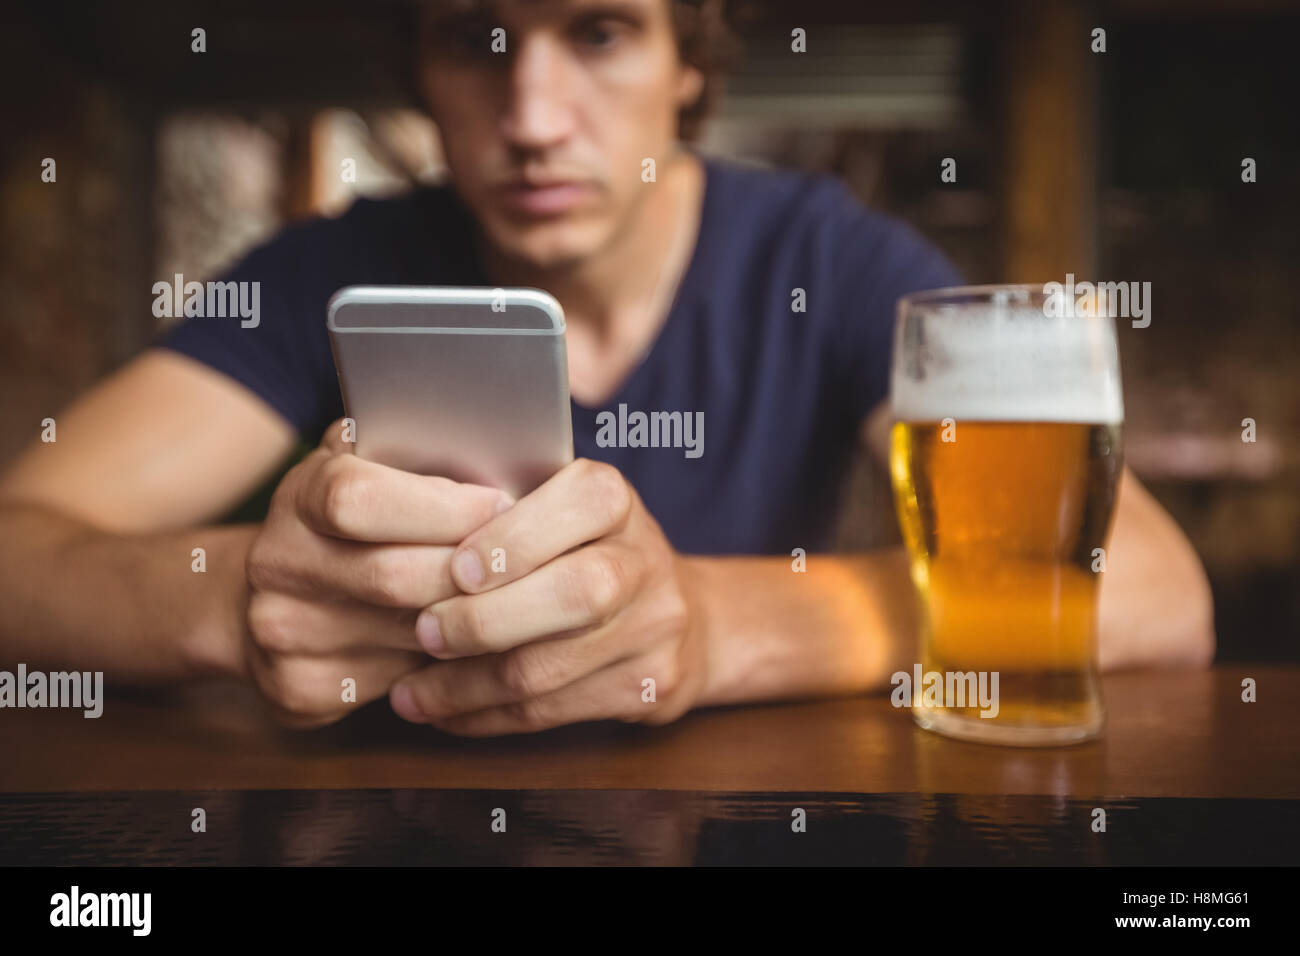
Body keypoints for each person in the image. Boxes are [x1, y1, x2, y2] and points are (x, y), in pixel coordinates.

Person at [0, 0, 1214, 735]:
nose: (531, 113)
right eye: (478, 38)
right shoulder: (336, 265)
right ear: (419, 68)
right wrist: (251, 601)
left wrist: (718, 630)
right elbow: (19, 552)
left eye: (599, 32)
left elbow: (1158, 592)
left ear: (690, 58)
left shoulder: (823, 252)